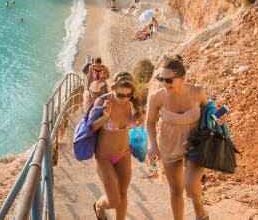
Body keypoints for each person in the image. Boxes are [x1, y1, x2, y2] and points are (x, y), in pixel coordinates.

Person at [146, 55, 210, 220]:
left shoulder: (197, 91)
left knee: (190, 184)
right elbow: (150, 122)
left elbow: (208, 112)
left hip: (194, 145)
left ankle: (200, 212)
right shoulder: (158, 97)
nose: (164, 84)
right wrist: (153, 145)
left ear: (183, 78)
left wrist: (218, 117)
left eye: (168, 80)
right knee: (176, 190)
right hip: (169, 145)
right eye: (161, 79)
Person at [89, 72, 144, 219]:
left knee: (123, 195)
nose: (124, 99)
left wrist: (140, 119)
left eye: (128, 95)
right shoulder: (102, 102)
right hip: (103, 156)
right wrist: (105, 117)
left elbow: (140, 121)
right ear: (113, 88)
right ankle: (99, 206)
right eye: (120, 95)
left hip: (124, 155)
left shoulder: (133, 103)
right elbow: (91, 127)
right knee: (113, 200)